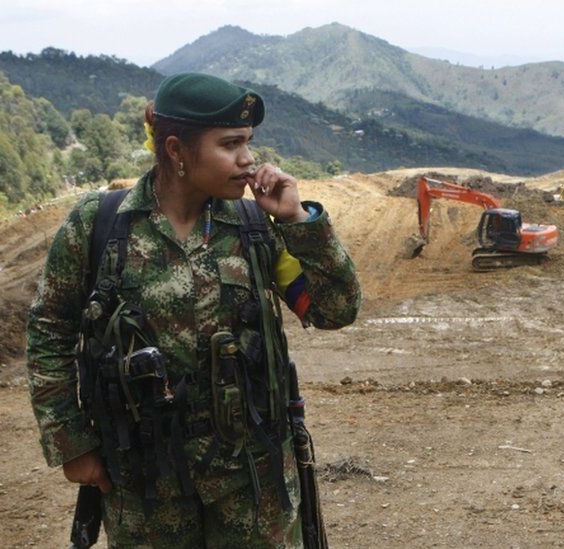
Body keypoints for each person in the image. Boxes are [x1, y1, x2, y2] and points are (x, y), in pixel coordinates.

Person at [27, 72, 361, 547]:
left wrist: (297, 220)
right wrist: (71, 443)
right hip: (144, 482)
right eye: (229, 144)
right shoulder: (99, 225)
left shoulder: (255, 226)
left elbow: (335, 309)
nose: (248, 160)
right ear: (176, 151)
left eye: (248, 142)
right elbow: (50, 331)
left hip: (254, 480)